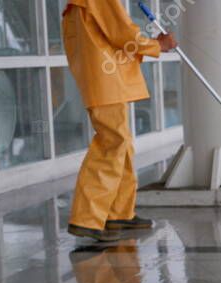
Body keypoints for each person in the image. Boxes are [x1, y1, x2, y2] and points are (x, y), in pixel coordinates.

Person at [62, 0, 177, 242]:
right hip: (106, 81)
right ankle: (85, 218)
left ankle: (119, 213)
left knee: (121, 144)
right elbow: (122, 33)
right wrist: (158, 45)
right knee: (112, 143)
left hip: (103, 79)